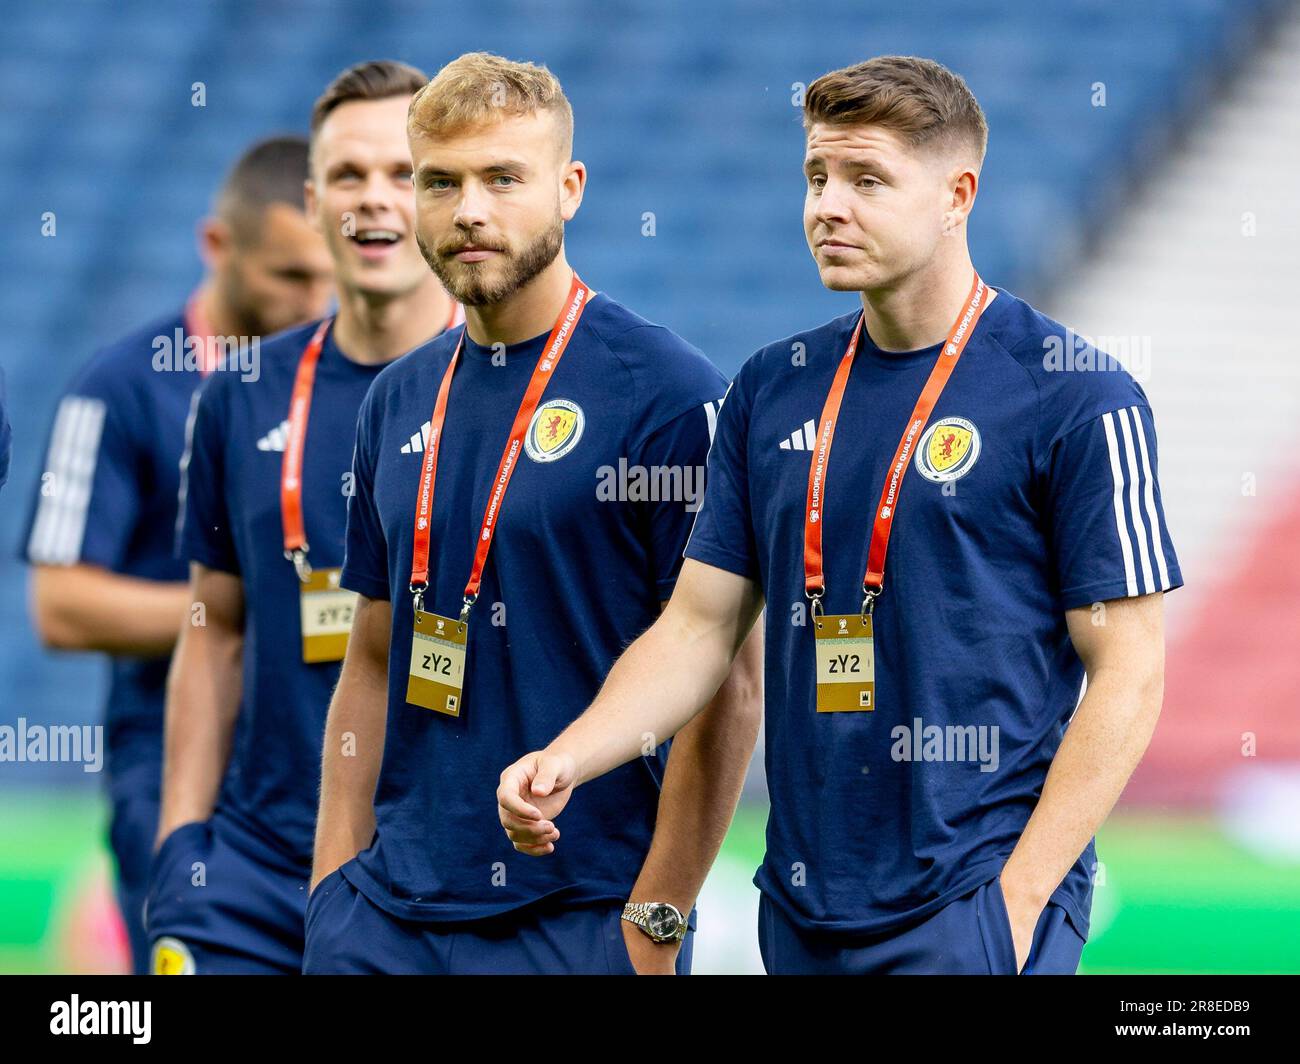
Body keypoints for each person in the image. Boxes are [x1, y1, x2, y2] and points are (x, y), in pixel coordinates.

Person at [498, 55, 1181, 975]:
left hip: (972, 901)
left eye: (868, 181)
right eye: (817, 176)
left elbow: (1128, 673)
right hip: (804, 904)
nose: (828, 205)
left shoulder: (1076, 395)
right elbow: (699, 628)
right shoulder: (771, 389)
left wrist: (1018, 904)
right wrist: (572, 757)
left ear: (957, 195)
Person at [303, 52, 762, 976]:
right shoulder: (396, 400)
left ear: (570, 188)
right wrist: (332, 888)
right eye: (441, 182)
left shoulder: (669, 396)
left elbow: (732, 682)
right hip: (383, 920)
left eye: (503, 178)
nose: (469, 210)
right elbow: (372, 656)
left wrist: (655, 926)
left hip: (576, 918)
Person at [146, 60, 460, 975]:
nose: (375, 201)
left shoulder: (511, 388)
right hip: (250, 874)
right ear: (314, 200)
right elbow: (213, 631)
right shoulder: (240, 392)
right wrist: (180, 842)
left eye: (405, 174)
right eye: (349, 177)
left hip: (428, 883)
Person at [20, 136, 332, 973]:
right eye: (290, 276)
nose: (316, 299)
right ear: (217, 247)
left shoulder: (356, 386)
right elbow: (60, 604)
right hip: (171, 767)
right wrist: (250, 610)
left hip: (317, 763)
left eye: (327, 272)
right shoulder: (116, 390)